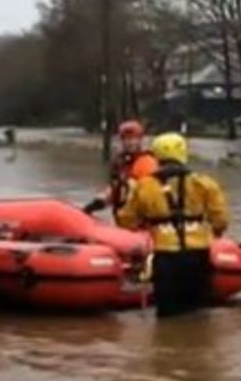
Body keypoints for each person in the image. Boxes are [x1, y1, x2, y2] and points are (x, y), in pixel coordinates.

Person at [118, 133, 229, 318]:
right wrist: (216, 231)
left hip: (166, 256)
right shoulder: (203, 183)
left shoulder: (144, 186)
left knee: (168, 315)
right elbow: (220, 219)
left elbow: (127, 220)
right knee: (198, 314)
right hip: (198, 254)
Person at [84, 120, 160, 217]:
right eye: (126, 139)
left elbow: (151, 193)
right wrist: (97, 203)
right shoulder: (119, 161)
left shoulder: (147, 161)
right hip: (124, 216)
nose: (130, 143)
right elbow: (114, 187)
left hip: (142, 216)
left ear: (140, 140)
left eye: (133, 139)